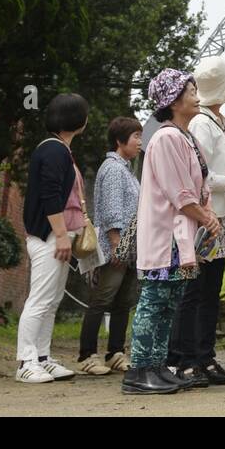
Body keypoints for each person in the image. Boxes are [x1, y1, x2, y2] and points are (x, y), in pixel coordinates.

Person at [122, 70, 221, 395]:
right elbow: (180, 193)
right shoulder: (166, 138)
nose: (196, 94)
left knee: (169, 301)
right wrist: (206, 217)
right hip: (166, 233)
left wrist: (204, 213)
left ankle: (157, 365)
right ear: (175, 101)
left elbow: (195, 187)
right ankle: (139, 369)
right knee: (154, 300)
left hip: (179, 234)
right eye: (191, 90)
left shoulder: (183, 136)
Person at [172, 56, 225, 386]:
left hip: (222, 214)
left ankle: (204, 355)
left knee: (210, 290)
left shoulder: (220, 120)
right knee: (195, 289)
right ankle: (185, 357)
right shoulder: (202, 124)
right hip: (205, 217)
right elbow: (199, 176)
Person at [15, 92, 91, 383]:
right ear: (76, 119)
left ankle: (43, 357)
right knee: (40, 299)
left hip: (59, 235)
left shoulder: (59, 150)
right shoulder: (54, 150)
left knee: (52, 299)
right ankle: (25, 361)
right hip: (50, 236)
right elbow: (49, 195)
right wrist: (60, 235)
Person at [77, 116, 144, 375]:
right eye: (136, 136)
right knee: (102, 299)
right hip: (117, 245)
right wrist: (117, 245)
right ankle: (87, 355)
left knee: (122, 301)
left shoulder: (125, 169)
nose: (140, 142)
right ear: (120, 140)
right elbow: (112, 211)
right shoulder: (114, 168)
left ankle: (115, 352)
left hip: (129, 247)